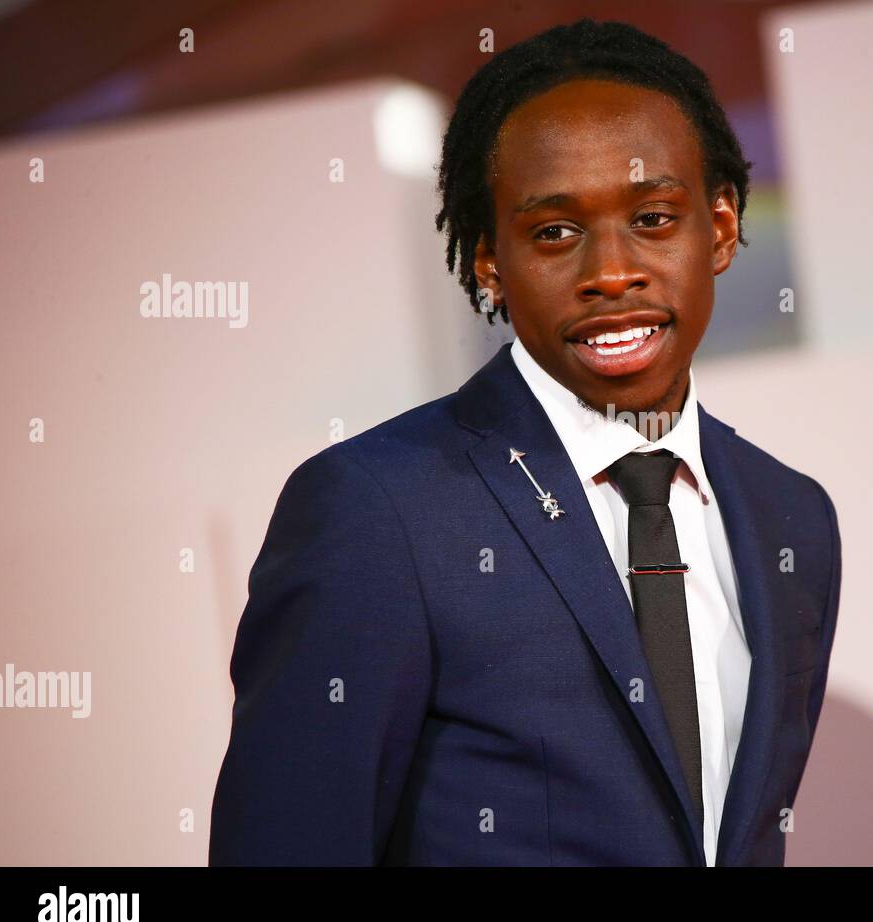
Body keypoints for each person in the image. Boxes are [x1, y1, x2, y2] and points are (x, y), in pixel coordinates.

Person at [209, 17, 841, 867]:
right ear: (489, 263)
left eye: (653, 217)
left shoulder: (792, 516)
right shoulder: (378, 509)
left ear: (721, 229)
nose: (611, 271)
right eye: (554, 232)